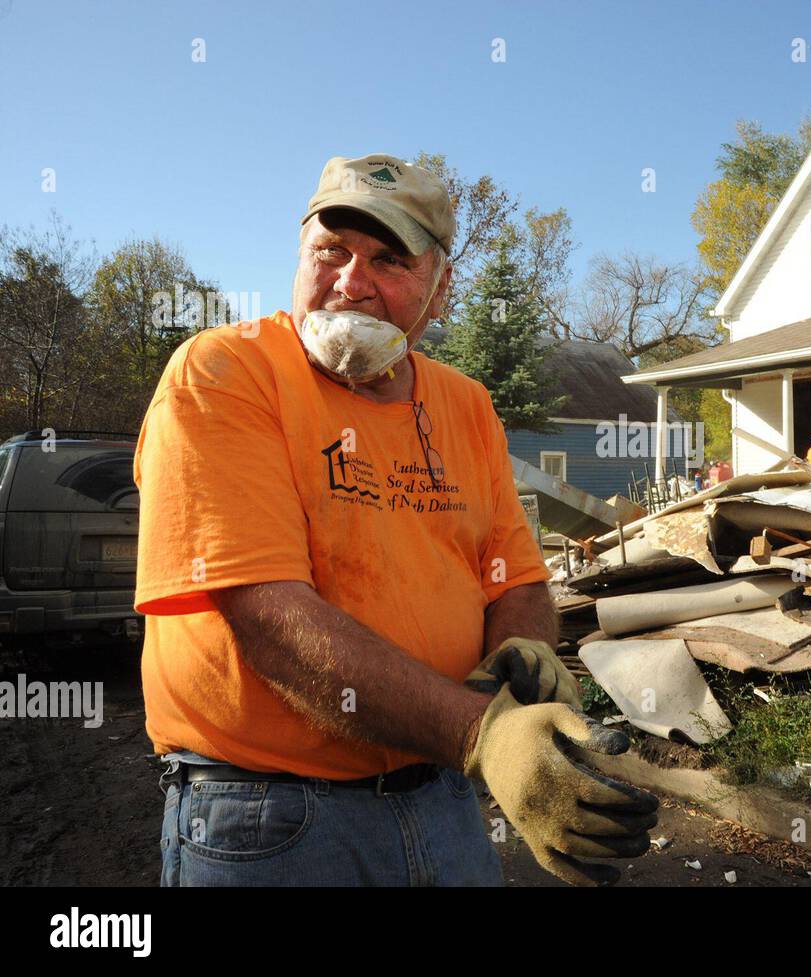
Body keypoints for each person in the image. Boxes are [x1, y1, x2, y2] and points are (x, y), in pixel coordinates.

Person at [136, 154, 657, 887]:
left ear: (439, 291)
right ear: (300, 256)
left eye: (388, 259)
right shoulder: (224, 372)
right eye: (331, 250)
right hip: (269, 816)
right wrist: (483, 731)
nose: (351, 281)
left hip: (441, 797)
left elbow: (515, 576)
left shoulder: (465, 403)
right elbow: (268, 616)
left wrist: (524, 652)